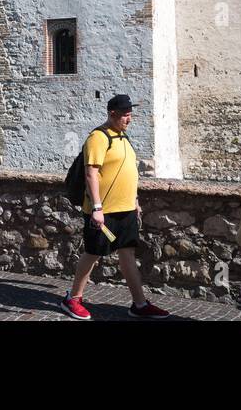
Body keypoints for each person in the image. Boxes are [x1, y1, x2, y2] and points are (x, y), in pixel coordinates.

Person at [60, 95, 169, 320]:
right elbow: (91, 173)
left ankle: (139, 304)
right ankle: (73, 298)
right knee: (92, 253)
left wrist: (135, 200)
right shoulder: (98, 138)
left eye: (130, 114)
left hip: (125, 209)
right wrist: (97, 208)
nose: (129, 119)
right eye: (125, 115)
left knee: (127, 253)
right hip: (103, 211)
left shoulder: (123, 137)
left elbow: (127, 172)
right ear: (112, 114)